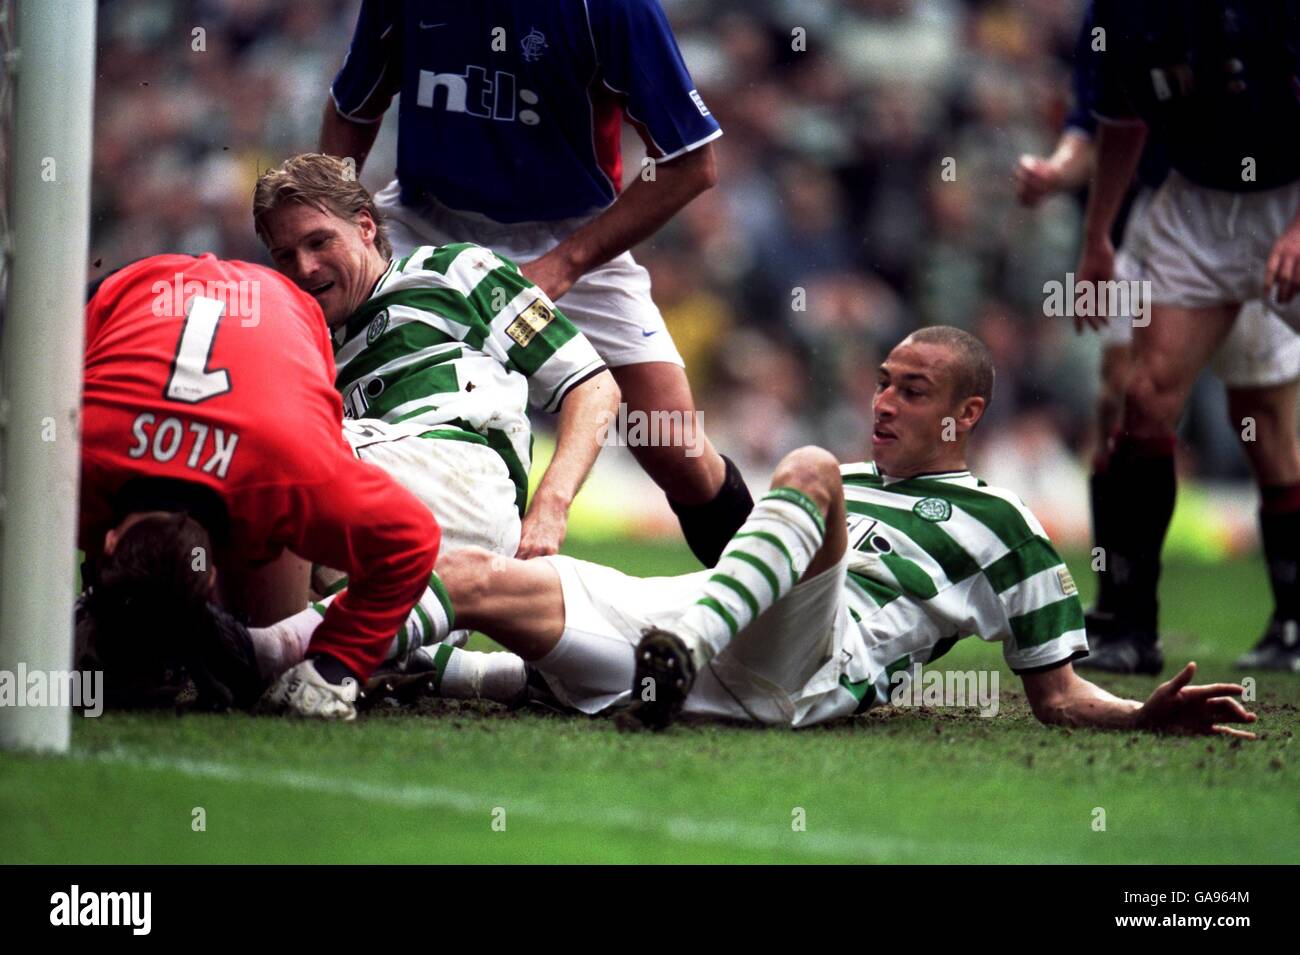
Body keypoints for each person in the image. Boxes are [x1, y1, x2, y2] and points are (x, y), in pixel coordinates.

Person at [238, 328, 1258, 738]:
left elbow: (1053, 692)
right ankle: (281, 662)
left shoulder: (1006, 522)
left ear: (966, 414)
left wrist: (1136, 717)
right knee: (474, 574)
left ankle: (671, 654)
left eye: (914, 389)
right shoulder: (847, 479)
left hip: (798, 665)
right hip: (704, 616)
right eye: (883, 381)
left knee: (803, 468)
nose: (885, 402)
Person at [317, 0, 754, 566]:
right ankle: (344, 625)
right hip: (423, 221)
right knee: (353, 415)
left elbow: (692, 163)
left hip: (569, 234)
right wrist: (329, 221)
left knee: (671, 444)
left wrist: (566, 263)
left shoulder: (613, 10)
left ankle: (771, 614)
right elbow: (354, 107)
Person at [1016, 1, 1300, 674]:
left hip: (1292, 193)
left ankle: (1293, 617)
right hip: (1193, 207)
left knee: (1267, 415)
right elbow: (1119, 124)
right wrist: (1096, 240)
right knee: (1142, 396)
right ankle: (1129, 624)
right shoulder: (1121, 14)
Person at [79, 253, 440, 720]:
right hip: (195, 299)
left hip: (161, 288)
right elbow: (413, 539)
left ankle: (122, 627)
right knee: (253, 646)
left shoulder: (61, 463)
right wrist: (339, 663)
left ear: (108, 539)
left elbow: (411, 542)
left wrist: (339, 661)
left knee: (260, 649)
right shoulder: (292, 475)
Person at [253, 153, 619, 562]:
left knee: (272, 453)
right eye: (285, 256)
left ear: (365, 226)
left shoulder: (455, 271)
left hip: (464, 482)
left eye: (319, 241)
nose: (305, 267)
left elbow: (594, 387)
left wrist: (551, 506)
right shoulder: (307, 349)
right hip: (385, 516)